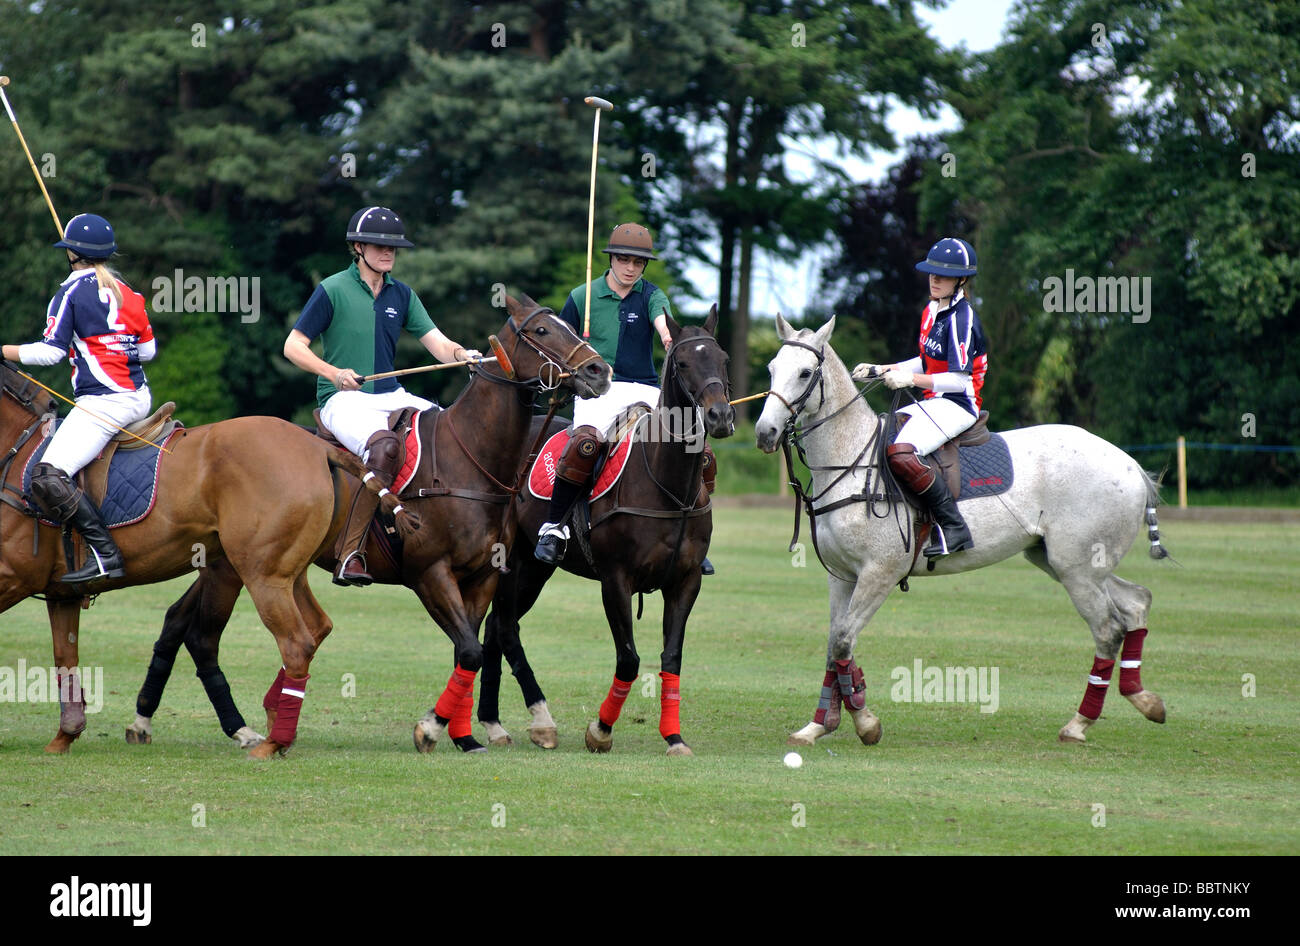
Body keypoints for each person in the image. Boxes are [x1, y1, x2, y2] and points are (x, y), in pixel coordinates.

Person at [284, 206, 481, 586]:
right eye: (379, 246)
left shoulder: (402, 294)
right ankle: (350, 552)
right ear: (358, 247)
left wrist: (462, 354)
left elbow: (438, 343)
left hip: (392, 395)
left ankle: (452, 536)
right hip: (342, 401)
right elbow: (293, 346)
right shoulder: (333, 289)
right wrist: (333, 373)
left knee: (451, 434)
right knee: (384, 449)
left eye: (393, 247)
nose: (388, 253)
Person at [534, 222, 716, 573]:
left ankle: (693, 530)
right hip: (598, 390)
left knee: (699, 448)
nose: (631, 268)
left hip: (647, 389)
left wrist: (669, 340)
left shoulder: (651, 295)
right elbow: (560, 347)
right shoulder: (581, 297)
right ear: (611, 259)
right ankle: (554, 527)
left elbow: (663, 323)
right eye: (624, 260)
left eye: (638, 262)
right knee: (584, 445)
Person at [2, 213, 155, 587]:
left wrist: (4, 349)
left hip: (105, 404)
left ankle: (106, 555)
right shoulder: (128, 293)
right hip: (139, 397)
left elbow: (51, 352)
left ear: (71, 253)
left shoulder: (70, 293)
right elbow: (148, 351)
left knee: (46, 473)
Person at [852, 237, 987, 558]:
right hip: (933, 401)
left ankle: (953, 526)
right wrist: (883, 369)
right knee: (881, 436)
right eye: (931, 273)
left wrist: (909, 380)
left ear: (962, 280)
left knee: (901, 452)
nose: (935, 279)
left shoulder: (962, 320)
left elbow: (958, 378)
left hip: (959, 403)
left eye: (943, 275)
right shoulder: (931, 310)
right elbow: (926, 360)